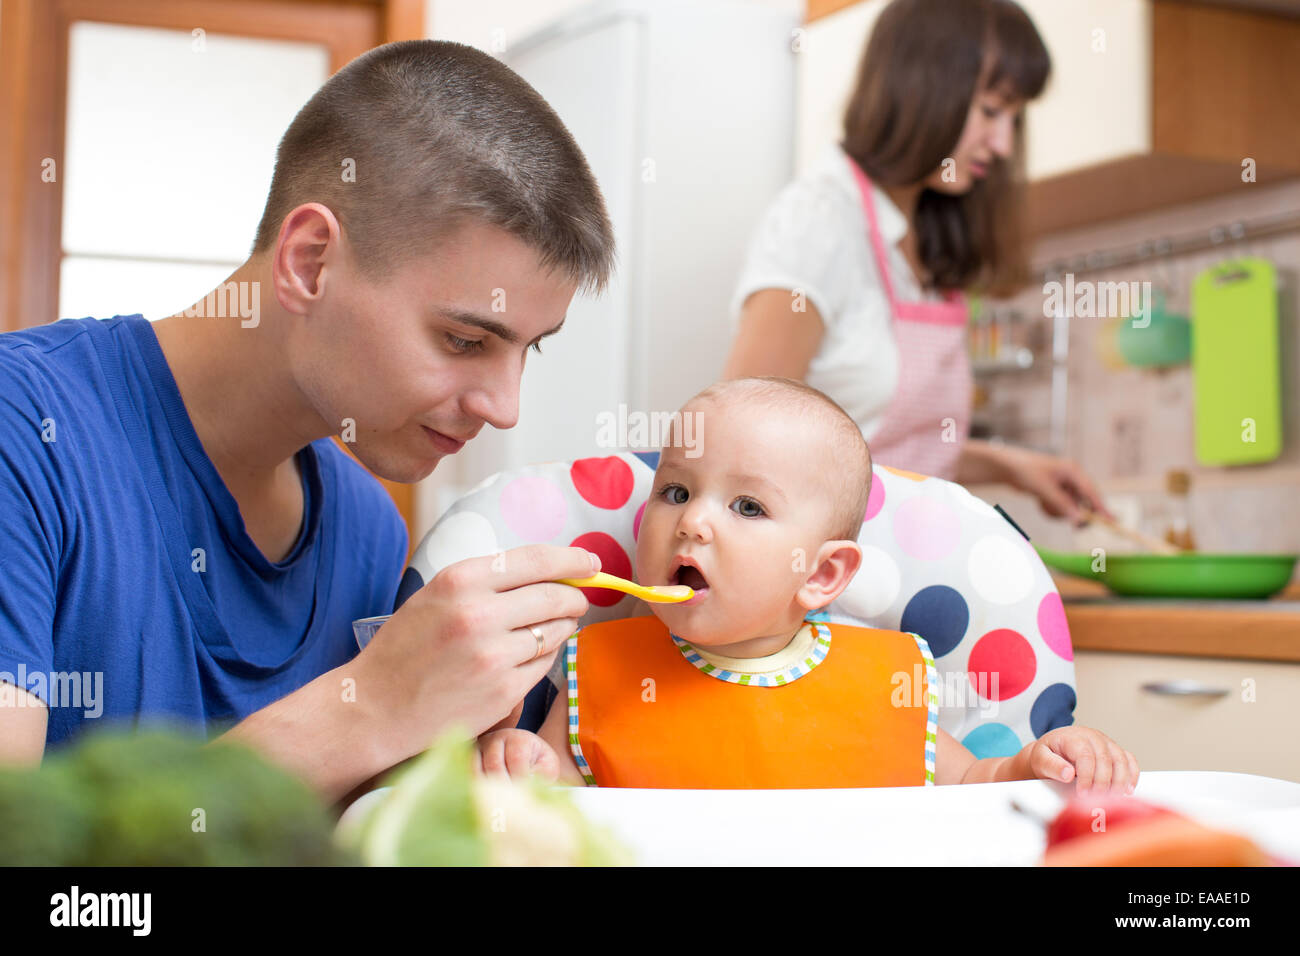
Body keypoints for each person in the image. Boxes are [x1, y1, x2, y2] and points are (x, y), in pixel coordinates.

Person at [0, 40, 616, 803]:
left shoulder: (365, 528)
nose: (504, 405)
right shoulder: (24, 433)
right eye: (464, 340)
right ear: (310, 261)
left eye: (530, 350)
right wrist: (374, 706)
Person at [478, 378, 1139, 792]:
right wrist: (518, 765)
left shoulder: (888, 679)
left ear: (822, 574)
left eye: (747, 507)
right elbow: (552, 803)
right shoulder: (602, 668)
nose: (693, 521)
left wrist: (1040, 764)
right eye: (676, 491)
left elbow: (974, 787)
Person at [723, 0, 1110, 524]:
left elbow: (886, 452)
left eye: (1015, 118)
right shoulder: (819, 222)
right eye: (991, 111)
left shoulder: (928, 241)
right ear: (922, 86)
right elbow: (740, 438)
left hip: (905, 569)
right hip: (823, 585)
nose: (1002, 144)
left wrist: (1008, 464)